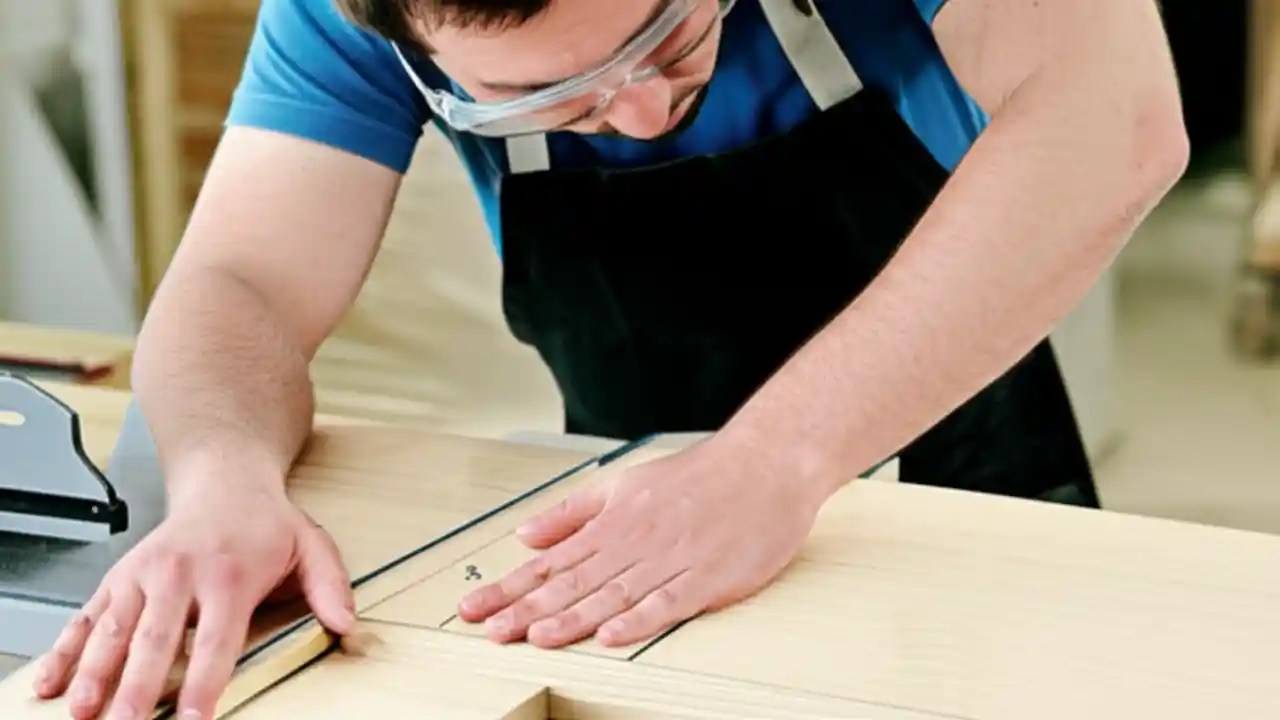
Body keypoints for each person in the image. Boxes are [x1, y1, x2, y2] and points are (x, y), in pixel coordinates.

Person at [33, 0, 1188, 717]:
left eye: (669, 34)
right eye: (543, 100)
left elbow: (1113, 122)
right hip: (634, 514)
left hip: (966, 475)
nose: (637, 117)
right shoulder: (349, 16)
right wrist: (221, 478)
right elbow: (241, 285)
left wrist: (773, 463)